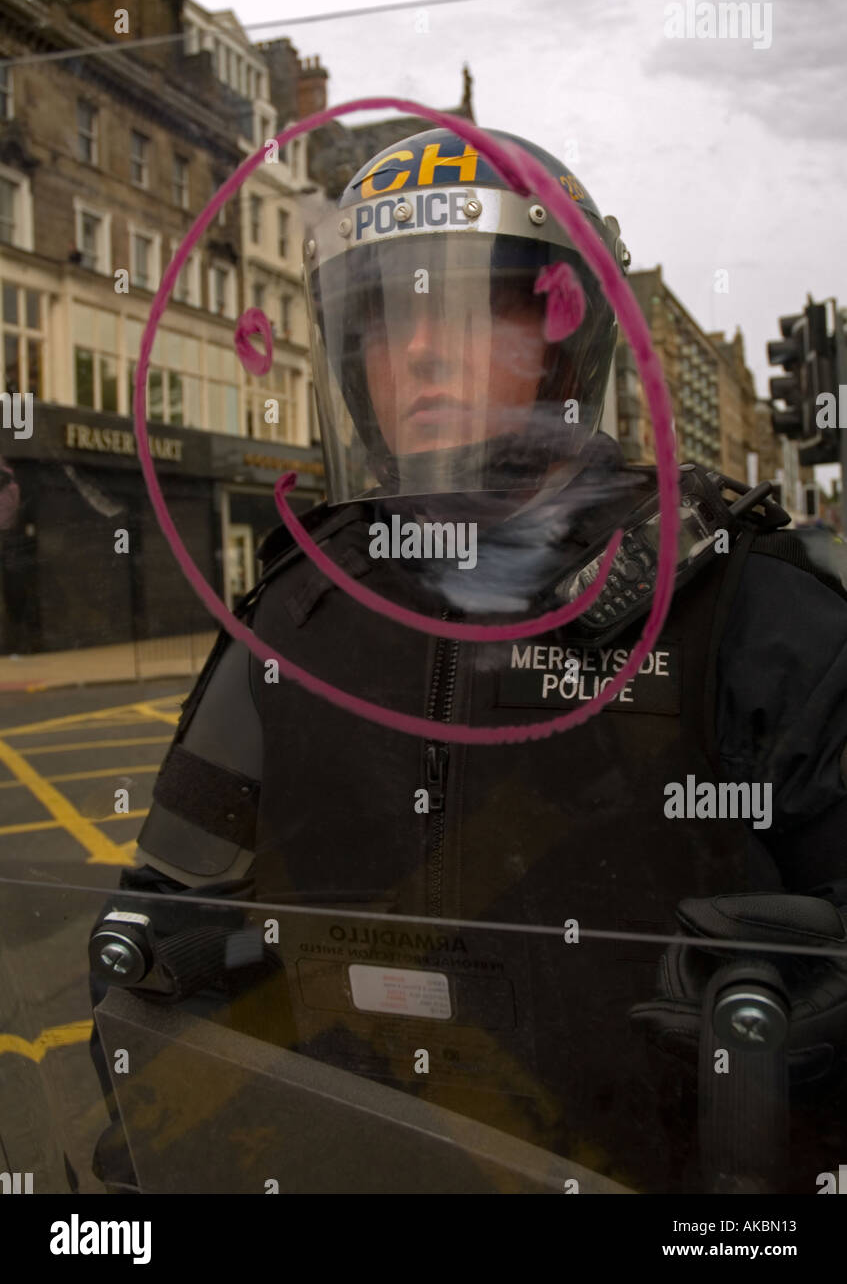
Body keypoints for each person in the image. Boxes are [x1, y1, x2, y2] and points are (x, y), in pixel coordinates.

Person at [88, 127, 847, 1194]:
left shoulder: (743, 609)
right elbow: (154, 941)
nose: (420, 350)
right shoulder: (291, 619)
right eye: (384, 316)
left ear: (565, 338)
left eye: (471, 303)